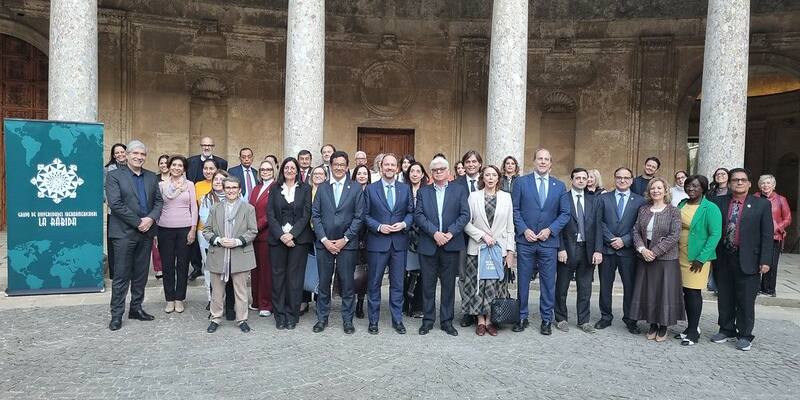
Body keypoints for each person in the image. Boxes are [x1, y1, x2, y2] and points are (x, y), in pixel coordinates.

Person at [709, 168, 774, 351]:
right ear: (729, 183)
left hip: (749, 258)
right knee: (725, 296)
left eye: (743, 180)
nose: (739, 182)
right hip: (723, 257)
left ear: (749, 183)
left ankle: (745, 334)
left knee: (745, 299)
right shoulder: (718, 202)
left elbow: (767, 234)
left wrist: (765, 260)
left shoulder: (761, 204)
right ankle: (726, 329)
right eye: (735, 180)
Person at [105, 140, 163, 331]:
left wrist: (151, 219)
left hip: (146, 234)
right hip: (124, 234)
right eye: (135, 154)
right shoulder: (114, 176)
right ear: (127, 155)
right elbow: (115, 204)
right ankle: (116, 315)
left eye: (142, 154)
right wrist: (139, 222)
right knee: (121, 276)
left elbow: (159, 202)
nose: (139, 157)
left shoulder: (151, 177)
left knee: (140, 275)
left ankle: (136, 308)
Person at [511, 148, 571, 335]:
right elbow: (515, 210)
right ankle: (522, 316)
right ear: (534, 161)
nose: (543, 162)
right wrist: (524, 230)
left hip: (548, 242)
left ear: (550, 163)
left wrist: (550, 230)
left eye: (546, 159)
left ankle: (546, 319)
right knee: (523, 281)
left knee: (548, 283)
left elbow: (565, 213)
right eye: (540, 159)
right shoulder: (521, 182)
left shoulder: (559, 186)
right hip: (526, 241)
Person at [414, 156, 470, 336]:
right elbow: (418, 216)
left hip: (451, 244)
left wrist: (450, 233)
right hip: (429, 244)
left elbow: (465, 215)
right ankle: (428, 321)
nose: (438, 172)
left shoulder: (459, 190)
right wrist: (435, 233)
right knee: (428, 285)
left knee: (448, 285)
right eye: (435, 170)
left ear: (448, 171)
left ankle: (447, 322)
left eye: (441, 169)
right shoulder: (423, 192)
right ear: (431, 173)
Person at [311, 151, 365, 334]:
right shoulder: (322, 188)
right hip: (324, 244)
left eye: (342, 165)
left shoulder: (355, 188)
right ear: (331, 166)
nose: (339, 168)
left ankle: (347, 320)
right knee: (324, 283)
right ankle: (322, 318)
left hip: (347, 245)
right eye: (336, 164)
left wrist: (345, 239)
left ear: (347, 166)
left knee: (348, 284)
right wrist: (325, 240)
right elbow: (315, 215)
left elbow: (359, 217)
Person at [363, 154, 414, 335]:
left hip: (399, 243)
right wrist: (378, 226)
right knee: (374, 283)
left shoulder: (405, 189)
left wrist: (404, 224)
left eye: (393, 165)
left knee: (398, 284)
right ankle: (373, 321)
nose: (390, 168)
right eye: (386, 165)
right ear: (381, 167)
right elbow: (364, 215)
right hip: (377, 243)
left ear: (397, 168)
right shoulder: (370, 189)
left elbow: (411, 213)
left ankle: (397, 319)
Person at [463, 165, 515, 336]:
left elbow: (510, 227)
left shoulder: (506, 197)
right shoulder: (473, 196)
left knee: (495, 285)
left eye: (494, 175)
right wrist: (483, 236)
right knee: (478, 284)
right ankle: (480, 320)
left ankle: (491, 320)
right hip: (478, 248)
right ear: (482, 178)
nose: (491, 178)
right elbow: (466, 223)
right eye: (487, 175)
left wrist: (510, 251)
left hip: (498, 250)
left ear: (498, 178)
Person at [629, 178, 684, 342]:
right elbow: (635, 231)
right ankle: (652, 324)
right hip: (645, 257)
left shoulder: (673, 211)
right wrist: (642, 249)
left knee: (664, 293)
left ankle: (663, 325)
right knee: (649, 292)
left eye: (659, 188)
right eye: (653, 188)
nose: (656, 191)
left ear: (666, 191)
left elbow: (674, 235)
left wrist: (654, 252)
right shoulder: (643, 209)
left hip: (666, 259)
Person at [203, 176, 258, 334]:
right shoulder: (215, 208)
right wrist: (218, 240)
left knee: (240, 291)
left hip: (240, 254)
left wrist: (237, 241)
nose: (231, 190)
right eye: (228, 187)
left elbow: (253, 231)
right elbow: (206, 230)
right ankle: (215, 318)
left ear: (239, 190)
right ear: (224, 189)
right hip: (218, 254)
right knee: (217, 291)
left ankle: (242, 319)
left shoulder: (248, 209)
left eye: (234, 187)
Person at [595, 167, 647, 333]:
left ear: (631, 180)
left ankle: (630, 319)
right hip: (608, 250)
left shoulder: (640, 201)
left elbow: (640, 226)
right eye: (619, 177)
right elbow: (599, 222)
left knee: (630, 286)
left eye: (626, 178)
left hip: (628, 251)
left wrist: (624, 240)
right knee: (605, 286)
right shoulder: (603, 198)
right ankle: (605, 317)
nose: (622, 180)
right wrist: (611, 239)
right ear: (614, 178)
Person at [555, 168, 603, 334]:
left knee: (585, 288)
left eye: (584, 178)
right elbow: (558, 226)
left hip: (587, 249)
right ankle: (561, 318)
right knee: (562, 287)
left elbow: (598, 226)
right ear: (572, 180)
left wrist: (598, 250)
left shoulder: (594, 200)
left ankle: (584, 321)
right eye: (578, 178)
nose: (581, 180)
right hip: (567, 249)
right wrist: (560, 248)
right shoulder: (563, 198)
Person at [676, 175, 722, 346]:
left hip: (697, 258)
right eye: (688, 185)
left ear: (703, 188)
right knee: (684, 292)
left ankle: (693, 331)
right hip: (679, 254)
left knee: (693, 292)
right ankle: (689, 327)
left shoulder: (710, 208)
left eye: (695, 186)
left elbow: (715, 234)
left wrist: (702, 258)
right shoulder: (682, 204)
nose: (691, 188)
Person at [268, 157, 313, 330]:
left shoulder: (305, 188)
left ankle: (292, 315)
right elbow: (270, 214)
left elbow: (306, 214)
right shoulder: (274, 188)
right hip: (277, 240)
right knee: (278, 278)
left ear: (297, 170)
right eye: (286, 167)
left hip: (299, 240)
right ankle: (279, 315)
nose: (289, 170)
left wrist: (292, 235)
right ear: (282, 170)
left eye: (293, 168)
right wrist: (282, 236)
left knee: (295, 279)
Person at [157, 155, 198, 314]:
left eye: (180, 165)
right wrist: (155, 232)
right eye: (174, 165)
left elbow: (194, 207)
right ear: (169, 166)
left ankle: (179, 298)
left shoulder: (189, 185)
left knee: (182, 265)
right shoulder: (162, 185)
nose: (176, 168)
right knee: (167, 266)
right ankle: (169, 299)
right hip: (164, 229)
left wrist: (193, 229)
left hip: (185, 229)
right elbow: (157, 207)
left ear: (184, 169)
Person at [454, 150, 482, 328]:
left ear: (480, 164)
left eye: (474, 162)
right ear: (463, 165)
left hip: (485, 238)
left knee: (483, 275)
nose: (471, 165)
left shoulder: (487, 180)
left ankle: (482, 310)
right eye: (468, 162)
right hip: (462, 237)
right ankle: (467, 310)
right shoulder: (455, 184)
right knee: (464, 276)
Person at [754, 174, 792, 297]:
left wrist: (777, 227)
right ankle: (755, 287)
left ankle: (768, 289)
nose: (765, 185)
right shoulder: (754, 198)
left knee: (771, 263)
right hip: (757, 235)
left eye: (768, 183)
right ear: (759, 185)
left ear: (773, 185)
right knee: (754, 261)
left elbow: (788, 219)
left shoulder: (781, 199)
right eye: (763, 183)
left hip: (774, 237)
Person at [249, 160, 276, 317]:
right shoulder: (256, 188)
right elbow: (250, 209)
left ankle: (266, 303)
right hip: (253, 235)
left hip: (266, 234)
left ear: (273, 171)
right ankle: (256, 301)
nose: (265, 172)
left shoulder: (276, 188)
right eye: (263, 169)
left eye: (268, 169)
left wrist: (256, 227)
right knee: (255, 269)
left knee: (266, 271)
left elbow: (271, 213)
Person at [300, 166, 329, 315]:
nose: (318, 175)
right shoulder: (306, 191)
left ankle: (320, 300)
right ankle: (304, 300)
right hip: (307, 233)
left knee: (322, 268)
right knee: (306, 266)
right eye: (315, 173)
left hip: (324, 234)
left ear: (326, 176)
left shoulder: (329, 191)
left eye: (321, 174)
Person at [403, 161, 428, 318]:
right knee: (404, 272)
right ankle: (405, 303)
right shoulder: (402, 190)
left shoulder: (427, 191)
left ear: (423, 174)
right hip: (404, 235)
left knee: (423, 272)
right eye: (412, 171)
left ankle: (419, 305)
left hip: (423, 235)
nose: (415, 174)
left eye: (418, 171)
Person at [190, 159, 219, 282]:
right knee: (207, 264)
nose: (208, 171)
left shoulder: (221, 184)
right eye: (205, 168)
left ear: (216, 170)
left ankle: (221, 292)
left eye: (211, 168)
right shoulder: (197, 185)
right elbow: (194, 207)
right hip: (203, 230)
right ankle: (209, 292)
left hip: (220, 231)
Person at [351, 164, 373, 318]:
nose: (362, 176)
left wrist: (364, 238)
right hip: (352, 236)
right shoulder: (350, 191)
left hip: (369, 238)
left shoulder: (372, 192)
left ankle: (360, 303)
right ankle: (350, 301)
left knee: (364, 273)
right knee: (351, 271)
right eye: (359, 173)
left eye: (365, 173)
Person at [104, 143, 127, 280]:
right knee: (113, 242)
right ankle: (114, 273)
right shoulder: (108, 169)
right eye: (117, 153)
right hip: (113, 212)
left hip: (130, 211)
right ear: (113, 155)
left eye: (122, 151)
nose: (120, 154)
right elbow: (102, 187)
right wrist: (109, 200)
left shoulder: (132, 167)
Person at [152, 154, 169, 280]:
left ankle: (170, 265)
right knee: (156, 241)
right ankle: (159, 268)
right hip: (157, 212)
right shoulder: (154, 179)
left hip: (171, 213)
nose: (164, 165)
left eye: (166, 163)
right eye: (161, 163)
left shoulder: (176, 178)